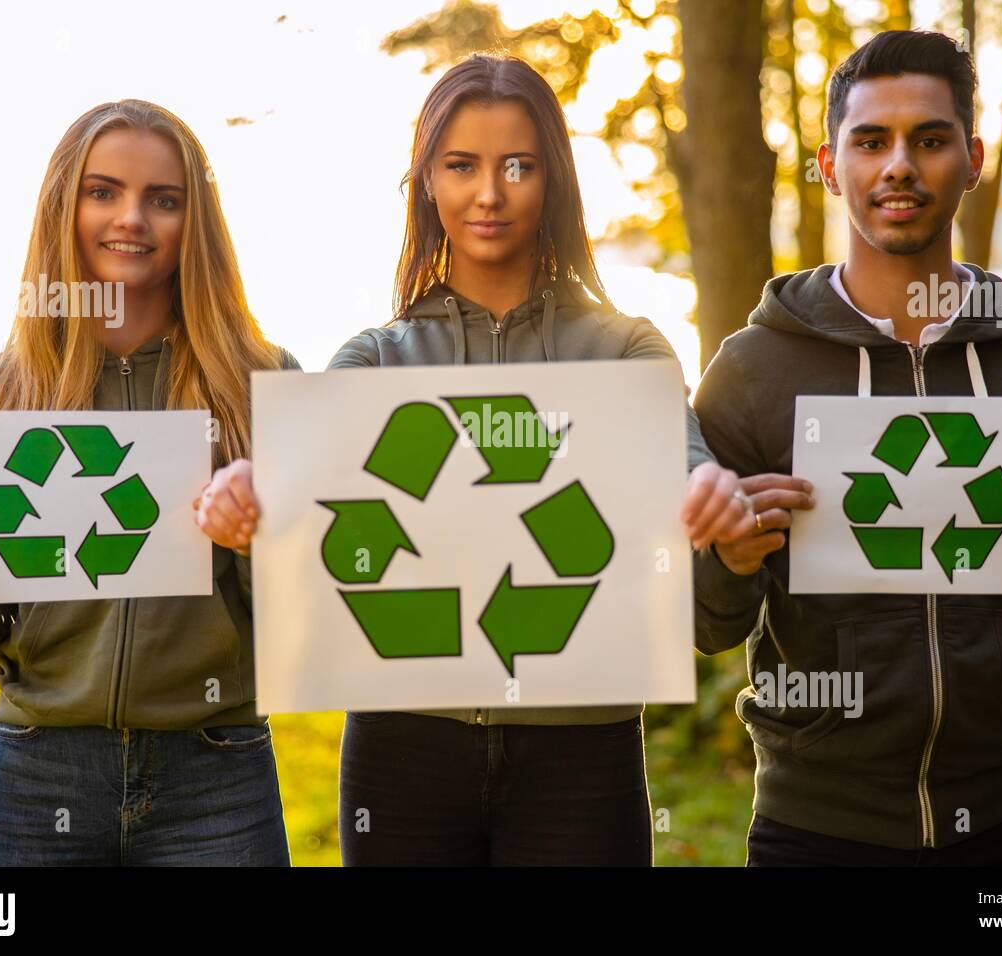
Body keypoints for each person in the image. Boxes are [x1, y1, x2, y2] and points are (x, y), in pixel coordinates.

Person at [196, 54, 757, 866]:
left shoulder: (626, 354)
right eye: (461, 166)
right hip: (402, 754)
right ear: (426, 180)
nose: (489, 194)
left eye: (518, 166)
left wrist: (726, 536)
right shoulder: (373, 365)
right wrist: (250, 524)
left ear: (554, 179)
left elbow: (711, 613)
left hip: (583, 756)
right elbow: (300, 589)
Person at [692, 30, 1002, 866]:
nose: (899, 165)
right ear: (830, 166)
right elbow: (703, 623)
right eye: (871, 141)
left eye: (930, 139)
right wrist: (727, 557)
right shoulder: (751, 369)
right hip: (812, 828)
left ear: (972, 159)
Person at [0, 100, 299, 866]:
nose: (131, 219)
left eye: (164, 199)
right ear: (62, 207)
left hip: (217, 771)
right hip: (36, 772)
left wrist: (253, 540)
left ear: (194, 220)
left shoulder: (262, 383)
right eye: (103, 191)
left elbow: (300, 615)